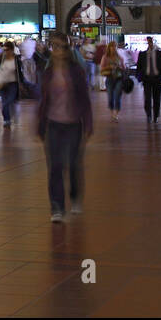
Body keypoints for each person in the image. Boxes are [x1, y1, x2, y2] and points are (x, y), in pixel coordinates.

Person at [36, 33, 93, 223]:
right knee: (55, 166)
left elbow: (84, 99)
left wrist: (88, 123)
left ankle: (75, 195)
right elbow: (43, 100)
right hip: (53, 124)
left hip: (73, 123)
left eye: (60, 47)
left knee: (73, 164)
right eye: (54, 46)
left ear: (67, 50)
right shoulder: (48, 72)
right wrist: (40, 124)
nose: (57, 50)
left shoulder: (76, 71)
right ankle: (57, 207)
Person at [135, 35, 161, 125]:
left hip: (157, 79)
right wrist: (139, 77)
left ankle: (156, 116)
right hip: (147, 79)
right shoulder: (142, 54)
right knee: (147, 98)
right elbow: (139, 67)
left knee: (157, 99)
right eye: (148, 42)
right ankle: (149, 115)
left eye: (151, 42)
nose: (150, 44)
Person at [0, 42, 21, 129]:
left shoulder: (16, 59)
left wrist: (21, 83)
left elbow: (20, 72)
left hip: (13, 84)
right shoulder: (2, 58)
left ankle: (11, 114)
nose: (6, 51)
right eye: (4, 50)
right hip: (3, 84)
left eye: (7, 50)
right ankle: (6, 120)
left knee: (9, 101)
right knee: (5, 103)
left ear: (12, 50)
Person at [101, 39, 127, 122]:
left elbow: (124, 68)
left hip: (119, 78)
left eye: (115, 47)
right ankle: (112, 112)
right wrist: (110, 67)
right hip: (109, 78)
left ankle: (116, 114)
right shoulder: (105, 57)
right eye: (112, 47)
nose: (113, 48)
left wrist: (120, 67)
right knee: (110, 97)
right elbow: (102, 68)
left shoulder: (119, 57)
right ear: (109, 48)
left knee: (117, 95)